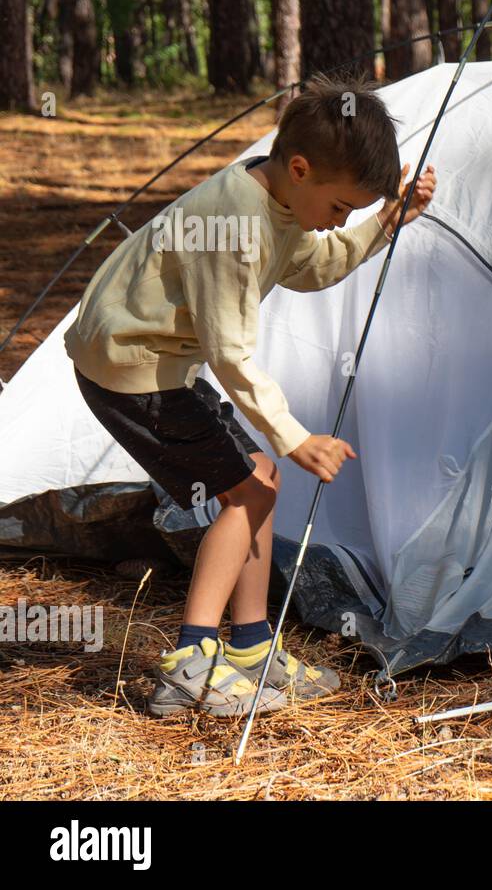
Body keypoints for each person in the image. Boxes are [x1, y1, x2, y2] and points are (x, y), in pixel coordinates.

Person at [64, 74, 437, 717]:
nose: (339, 220)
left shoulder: (281, 202)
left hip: (159, 363)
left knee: (258, 483)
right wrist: (294, 437)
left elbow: (316, 266)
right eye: (342, 206)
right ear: (299, 168)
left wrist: (384, 222)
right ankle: (189, 664)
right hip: (131, 367)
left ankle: (250, 647)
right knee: (255, 484)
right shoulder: (234, 222)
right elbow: (229, 352)